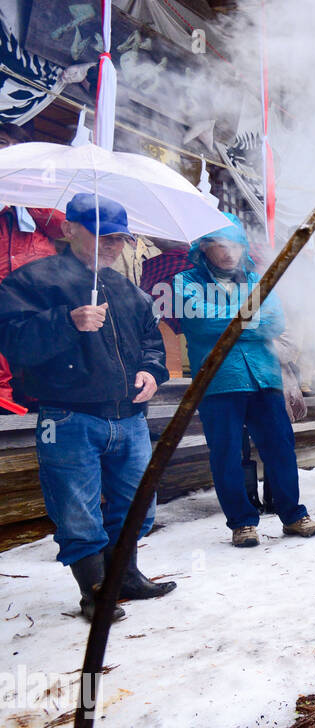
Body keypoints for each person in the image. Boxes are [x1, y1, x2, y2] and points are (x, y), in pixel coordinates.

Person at [0, 193, 178, 619]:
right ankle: (95, 591)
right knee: (76, 510)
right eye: (102, 236)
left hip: (130, 417)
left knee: (136, 504)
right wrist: (67, 322)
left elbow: (152, 343)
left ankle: (126, 575)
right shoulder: (33, 281)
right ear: (69, 229)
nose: (112, 247)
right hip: (67, 415)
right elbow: (12, 342)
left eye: (119, 239)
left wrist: (153, 372)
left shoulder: (129, 291)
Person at [172, 213, 315, 547]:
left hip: (264, 376)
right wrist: (248, 320)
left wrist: (234, 324)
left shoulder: (259, 280)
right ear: (204, 248)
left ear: (243, 248)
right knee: (225, 452)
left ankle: (293, 515)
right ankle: (242, 522)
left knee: (280, 446)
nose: (228, 253)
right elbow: (199, 323)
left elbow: (275, 322)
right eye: (219, 246)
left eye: (234, 246)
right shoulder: (185, 281)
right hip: (219, 380)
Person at [0, 122, 66, 412]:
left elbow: (64, 229)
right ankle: (3, 400)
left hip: (37, 277)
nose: (11, 151)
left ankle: (39, 396)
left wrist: (29, 195)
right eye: (4, 143)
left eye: (19, 147)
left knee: (39, 335)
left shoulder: (42, 185)